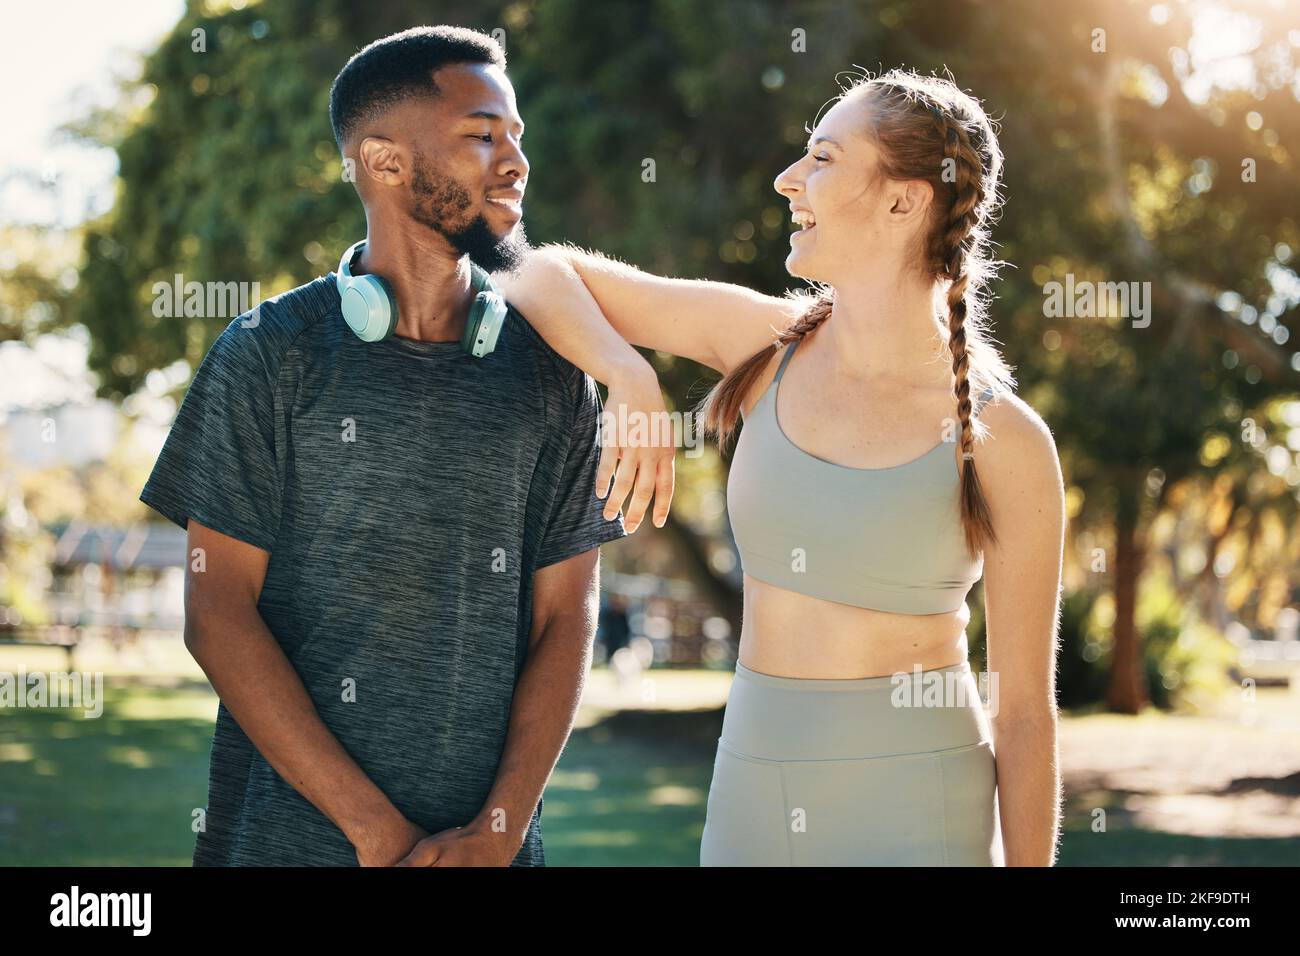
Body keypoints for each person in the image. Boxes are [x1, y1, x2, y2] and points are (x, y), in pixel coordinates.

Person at [495, 68, 1066, 865]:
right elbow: (533, 271)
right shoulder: (764, 347)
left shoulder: (1005, 439)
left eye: (823, 158)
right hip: (757, 792)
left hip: (923, 802)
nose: (786, 179)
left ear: (905, 200)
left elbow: (1026, 717)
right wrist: (627, 374)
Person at [139, 26, 627, 867]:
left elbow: (566, 614)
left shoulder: (553, 370)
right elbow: (217, 614)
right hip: (286, 846)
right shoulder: (267, 353)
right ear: (386, 162)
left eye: (517, 137)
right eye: (482, 135)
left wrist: (495, 834)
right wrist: (378, 835)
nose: (515, 162)